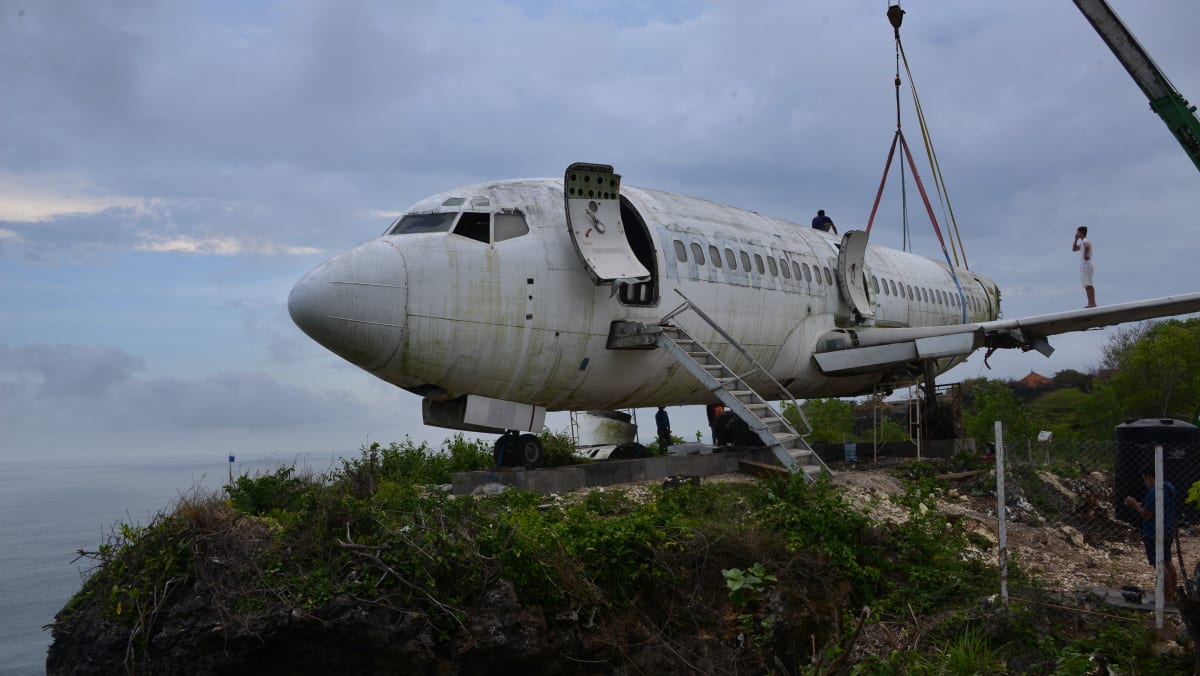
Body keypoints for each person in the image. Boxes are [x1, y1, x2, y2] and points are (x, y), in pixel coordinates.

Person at [1124, 464, 1178, 601]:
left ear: (1148, 477)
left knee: (1159, 564)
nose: (1144, 482)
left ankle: (1166, 598)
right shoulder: (1168, 487)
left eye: (1144, 479)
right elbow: (1158, 506)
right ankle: (1173, 594)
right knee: (1167, 561)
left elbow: (1147, 514)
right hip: (1167, 529)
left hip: (1153, 532)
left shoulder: (1153, 492)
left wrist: (1135, 503)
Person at [1072, 226, 1096, 307]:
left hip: (1086, 265)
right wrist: (1075, 239)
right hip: (1085, 266)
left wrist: (1086, 255)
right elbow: (1074, 249)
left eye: (1078, 232)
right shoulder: (1082, 242)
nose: (1077, 234)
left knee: (1089, 284)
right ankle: (1090, 302)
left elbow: (1087, 246)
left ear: (1080, 232)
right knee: (1087, 285)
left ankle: (1092, 303)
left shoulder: (1085, 240)